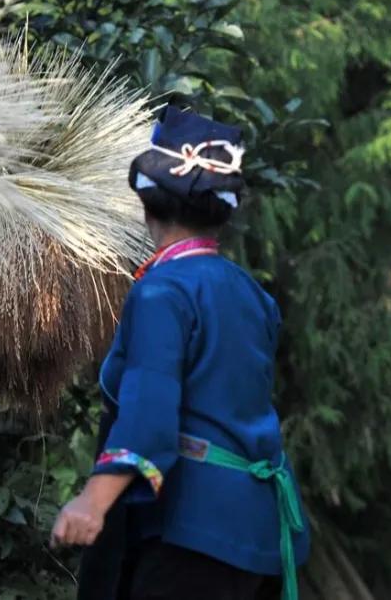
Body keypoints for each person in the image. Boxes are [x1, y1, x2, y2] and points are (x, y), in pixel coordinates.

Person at [51, 106, 310, 600]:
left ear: (146, 203)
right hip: (257, 536)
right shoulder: (252, 295)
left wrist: (91, 502)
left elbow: (149, 422)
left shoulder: (160, 293)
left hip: (191, 535)